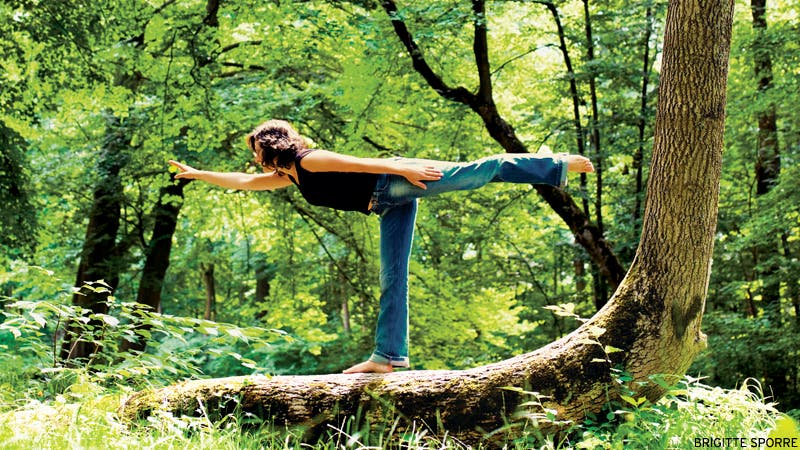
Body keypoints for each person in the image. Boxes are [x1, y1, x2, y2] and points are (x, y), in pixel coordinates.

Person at [169, 119, 594, 374]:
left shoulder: (308, 161)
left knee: (482, 171)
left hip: (397, 180)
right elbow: (242, 182)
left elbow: (359, 163)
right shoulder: (287, 177)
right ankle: (388, 355)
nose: (254, 159)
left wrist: (403, 168)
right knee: (393, 278)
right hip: (389, 204)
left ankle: (555, 163)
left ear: (270, 147)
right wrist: (198, 173)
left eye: (256, 149)